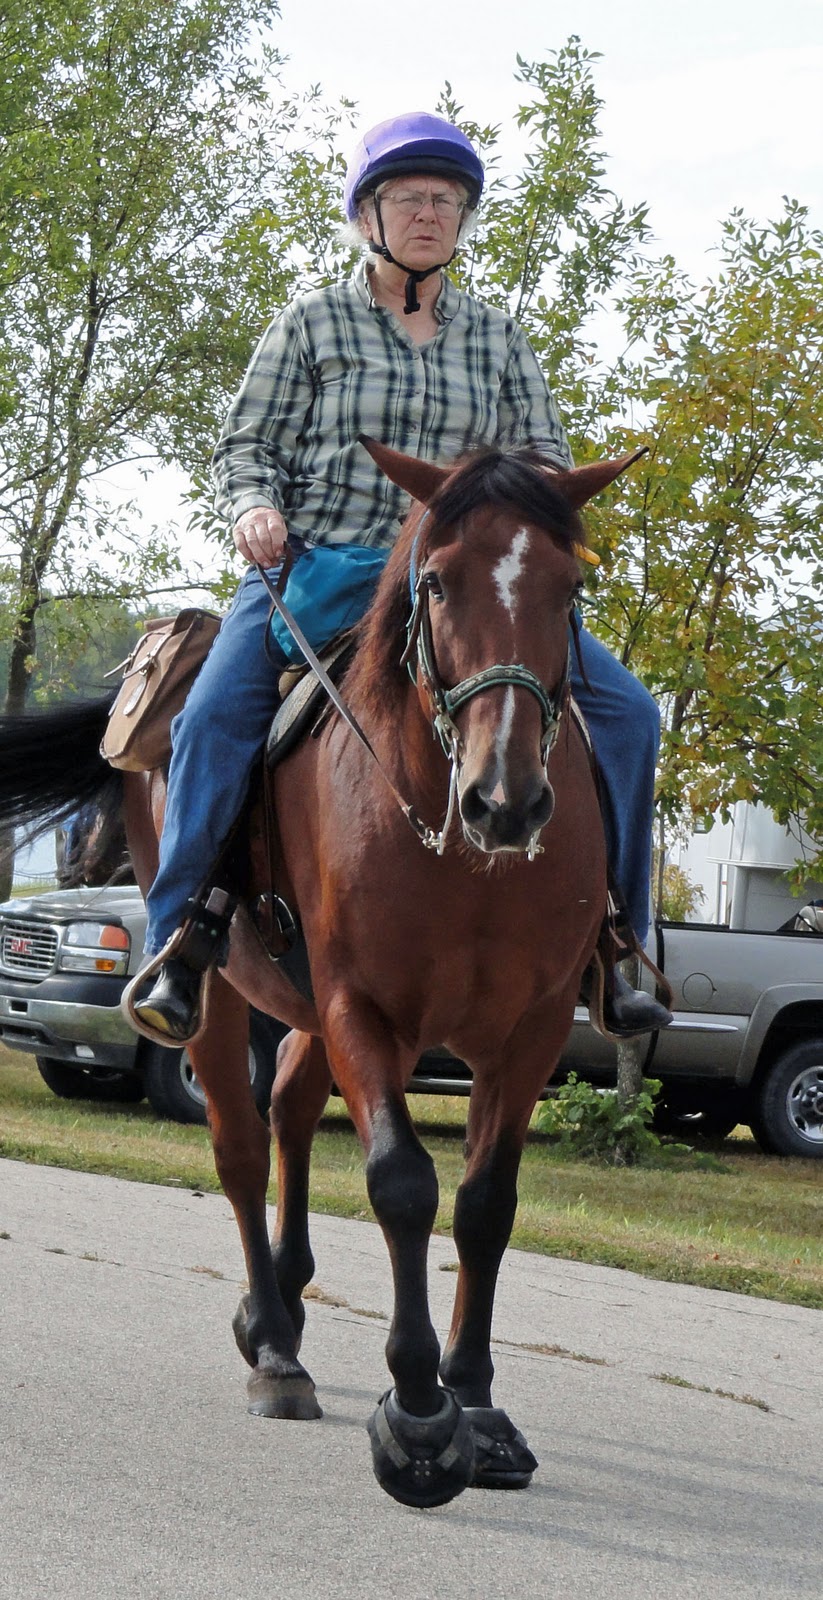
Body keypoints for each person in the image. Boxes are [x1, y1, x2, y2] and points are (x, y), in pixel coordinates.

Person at [132, 112, 669, 1043]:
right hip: (322, 568)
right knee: (212, 717)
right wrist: (252, 505)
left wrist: (534, 499)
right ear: (367, 215)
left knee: (628, 715)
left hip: (463, 580)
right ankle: (183, 933)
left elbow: (544, 451)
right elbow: (245, 444)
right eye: (410, 198)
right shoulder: (309, 322)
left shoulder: (500, 340)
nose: (430, 214)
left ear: (464, 221)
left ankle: (618, 937)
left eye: (447, 201)